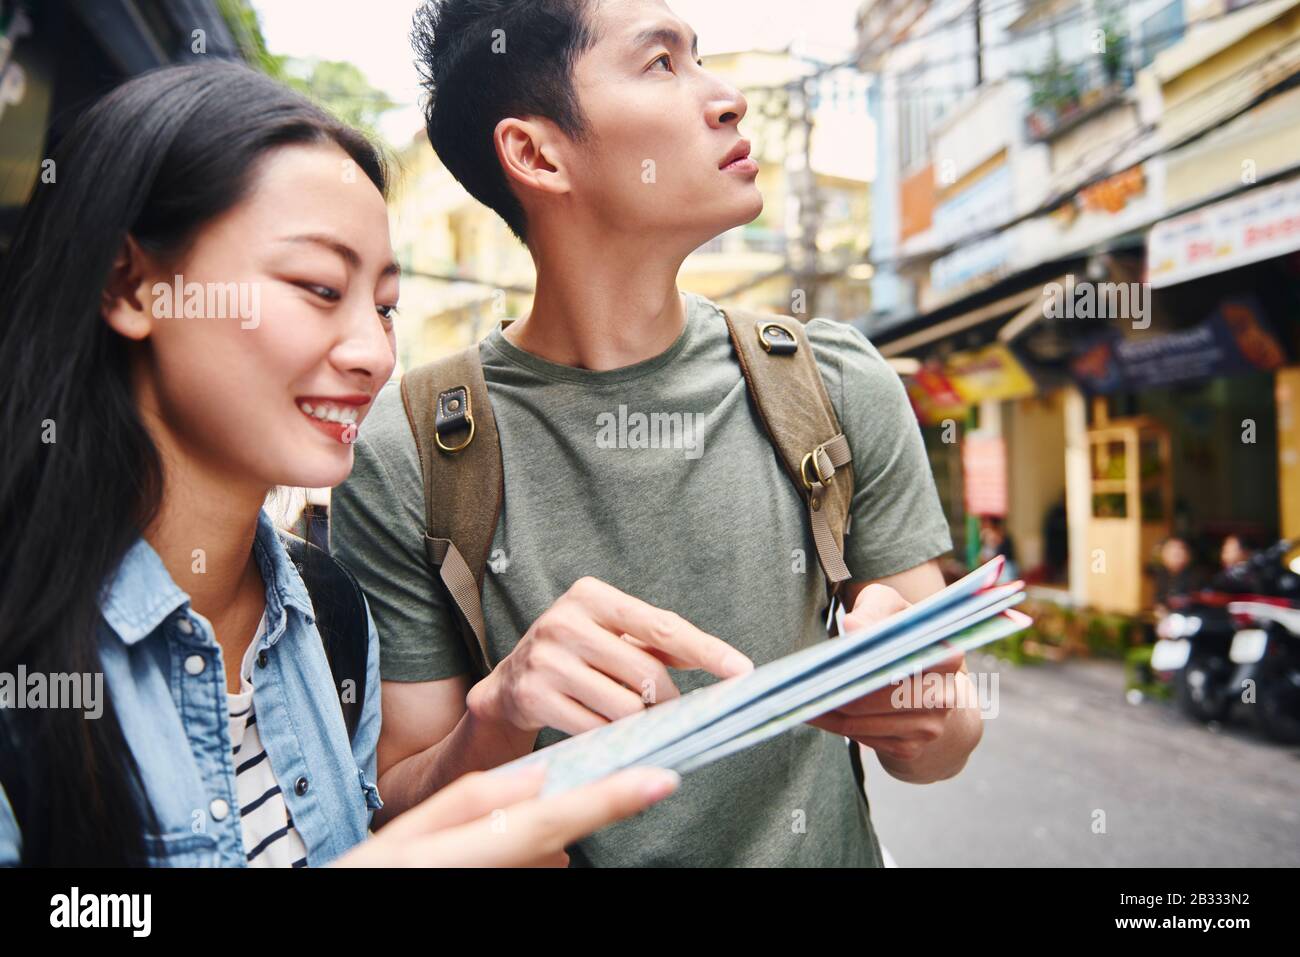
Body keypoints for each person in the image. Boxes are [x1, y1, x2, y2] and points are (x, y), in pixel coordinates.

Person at [331, 0, 980, 867]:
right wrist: (501, 710)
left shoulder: (829, 383)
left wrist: (920, 704)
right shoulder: (409, 449)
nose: (727, 97)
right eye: (662, 64)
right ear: (535, 153)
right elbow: (403, 807)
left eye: (700, 57)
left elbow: (948, 740)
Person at [0, 61, 678, 868]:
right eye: (319, 286)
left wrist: (491, 731)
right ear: (132, 284)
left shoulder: (329, 618)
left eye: (385, 306)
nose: (372, 354)